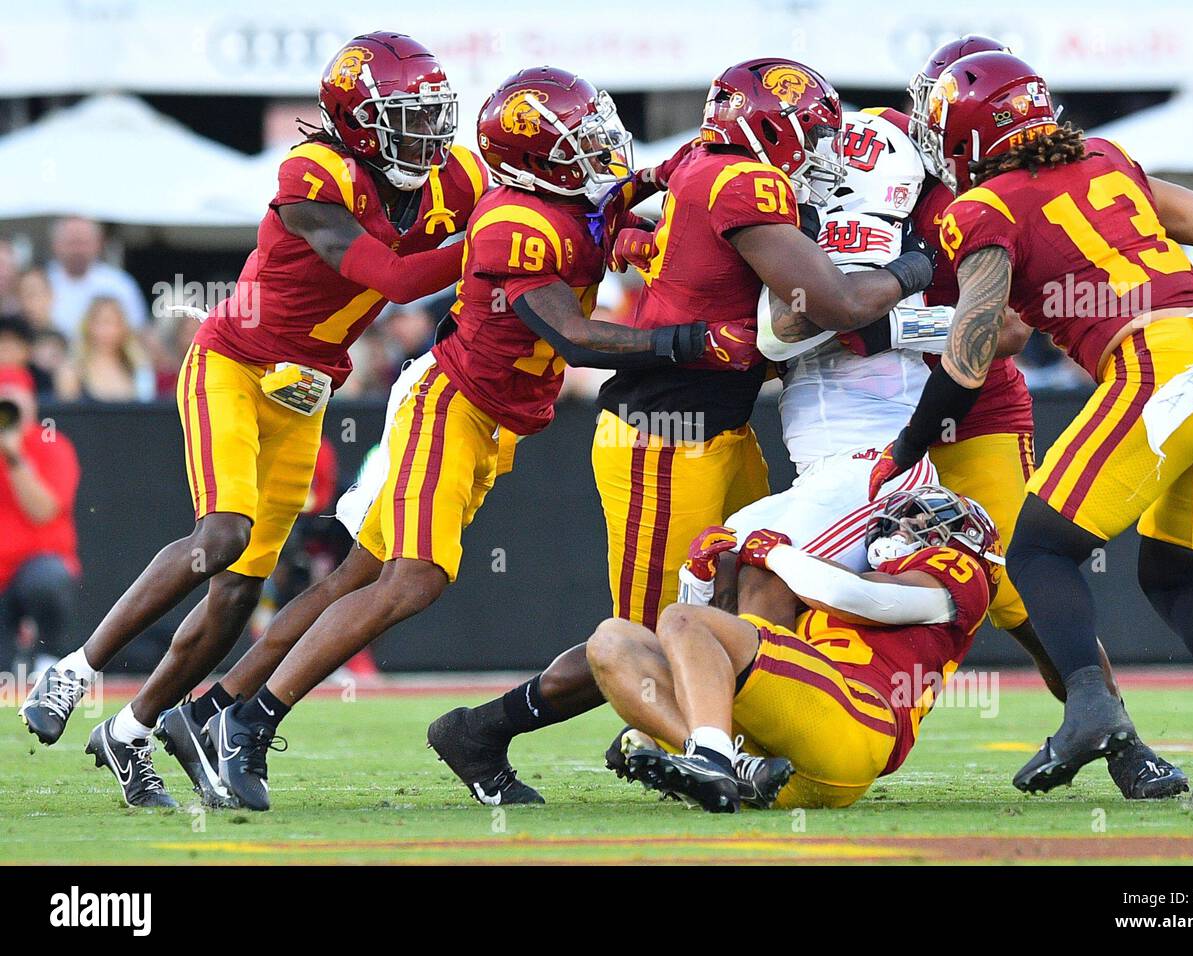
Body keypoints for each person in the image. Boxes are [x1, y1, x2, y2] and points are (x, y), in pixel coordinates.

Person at [202, 65, 755, 812]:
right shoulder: (512, 226)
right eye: (580, 142)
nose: (600, 153)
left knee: (362, 580)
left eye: (597, 132)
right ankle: (247, 719)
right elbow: (576, 337)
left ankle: (230, 711)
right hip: (451, 404)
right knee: (412, 579)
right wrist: (693, 341)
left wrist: (708, 151)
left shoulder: (566, 194)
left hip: (498, 418)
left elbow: (636, 186)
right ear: (536, 161)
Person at [427, 57, 933, 805]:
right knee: (649, 636)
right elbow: (828, 301)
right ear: (770, 130)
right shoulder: (741, 179)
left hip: (721, 428)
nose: (822, 148)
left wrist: (644, 241)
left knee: (754, 595)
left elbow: (647, 212)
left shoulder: (704, 163)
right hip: (664, 436)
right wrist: (926, 263)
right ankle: (492, 731)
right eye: (813, 133)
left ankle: (726, 743)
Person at [21, 32, 485, 809]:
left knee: (239, 592)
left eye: (434, 114)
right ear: (359, 119)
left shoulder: (454, 177)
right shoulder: (314, 174)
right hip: (233, 364)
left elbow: (513, 205)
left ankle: (131, 731)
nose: (430, 134)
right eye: (409, 116)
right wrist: (491, 247)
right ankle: (73, 671)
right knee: (222, 536)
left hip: (306, 391)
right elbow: (398, 279)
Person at [869, 51, 1193, 803]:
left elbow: (967, 357)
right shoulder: (1105, 157)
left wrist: (905, 449)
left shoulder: (980, 208)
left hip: (1162, 370)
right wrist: (1182, 300)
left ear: (963, 133)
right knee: (1174, 574)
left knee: (1037, 550)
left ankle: (1090, 708)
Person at [891, 35, 1185, 799]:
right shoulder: (865, 165)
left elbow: (1008, 333)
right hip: (852, 409)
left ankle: (1120, 738)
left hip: (970, 406)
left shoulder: (985, 194)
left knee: (1020, 584)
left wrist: (879, 324)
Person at [589, 485, 1000, 812]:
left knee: (684, 619)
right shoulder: (809, 587)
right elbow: (706, 658)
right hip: (781, 765)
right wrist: (698, 585)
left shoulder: (962, 576)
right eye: (906, 519)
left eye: (920, 521)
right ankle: (729, 767)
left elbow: (856, 596)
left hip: (857, 726)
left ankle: (711, 758)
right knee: (612, 642)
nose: (905, 526)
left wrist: (776, 551)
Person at [0, 366, 79, 675]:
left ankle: (50, 656)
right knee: (5, 669)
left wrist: (14, 456)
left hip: (35, 569)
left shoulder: (52, 444)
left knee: (48, 578)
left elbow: (43, 511)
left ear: (31, 405)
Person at [46, 218, 149, 337]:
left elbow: (137, 329)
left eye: (83, 243)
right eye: (72, 242)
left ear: (98, 244)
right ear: (55, 244)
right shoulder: (43, 280)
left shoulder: (119, 284)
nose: (77, 250)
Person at [74, 297, 155, 402]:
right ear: (88, 326)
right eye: (101, 323)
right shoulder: (74, 372)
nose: (107, 331)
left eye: (114, 323)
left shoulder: (138, 368)